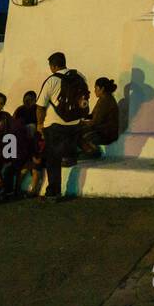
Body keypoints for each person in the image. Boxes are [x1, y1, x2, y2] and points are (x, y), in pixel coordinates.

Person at [35, 52, 89, 199]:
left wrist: (40, 124)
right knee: (67, 152)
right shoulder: (80, 77)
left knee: (52, 159)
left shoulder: (52, 80)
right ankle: (70, 156)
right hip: (75, 124)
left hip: (55, 125)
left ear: (53, 66)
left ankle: (54, 192)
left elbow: (40, 106)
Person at [77, 77, 121, 157]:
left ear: (102, 89)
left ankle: (92, 152)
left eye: (96, 88)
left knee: (77, 133)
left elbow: (95, 122)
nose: (94, 91)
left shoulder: (106, 100)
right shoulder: (104, 98)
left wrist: (81, 123)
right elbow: (93, 116)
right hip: (103, 130)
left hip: (106, 134)